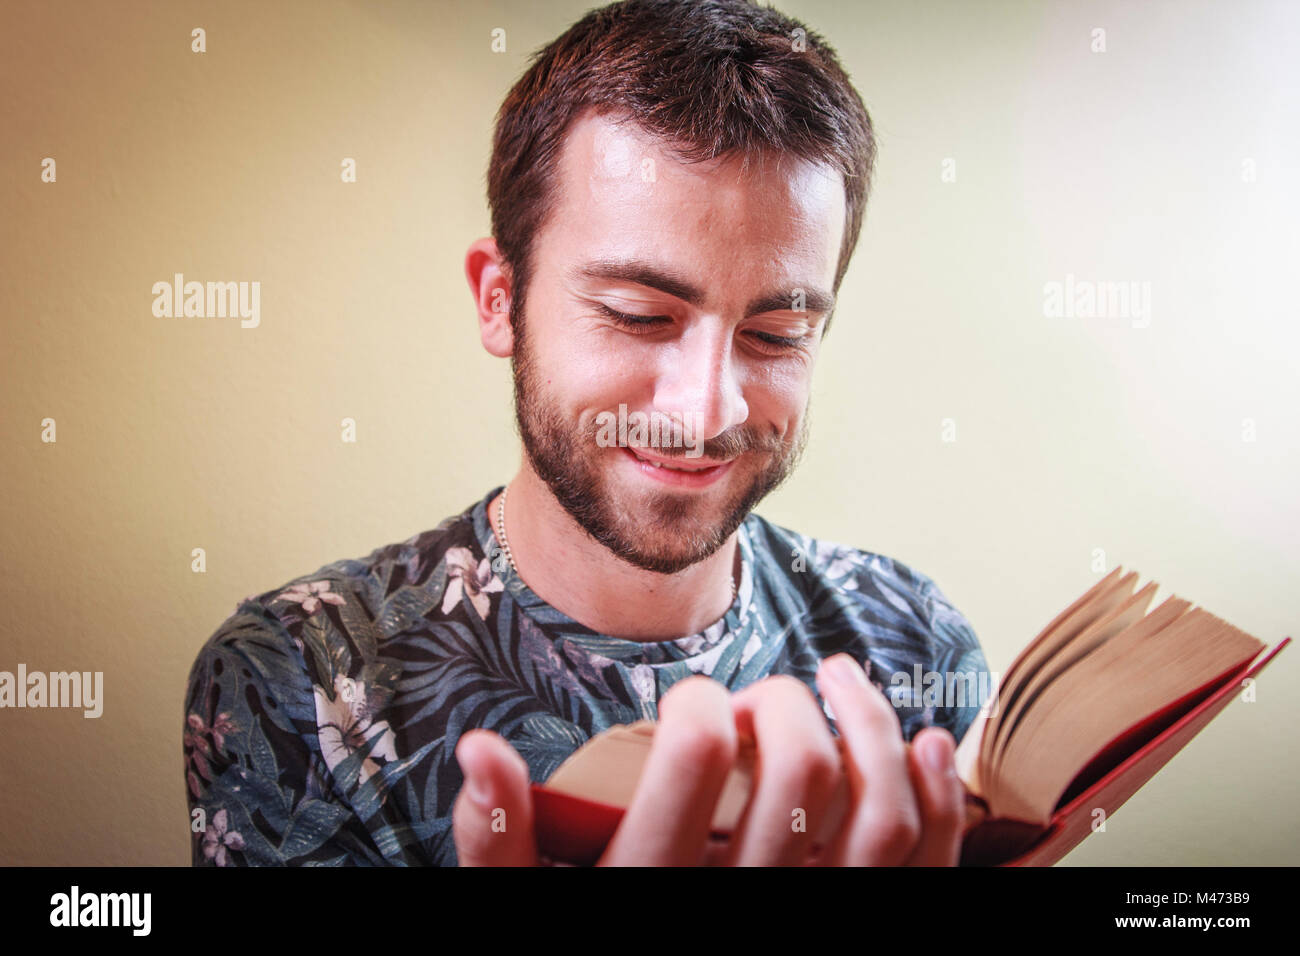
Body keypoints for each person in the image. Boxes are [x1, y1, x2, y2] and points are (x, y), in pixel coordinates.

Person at [184, 0, 991, 867]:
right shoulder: (299, 679)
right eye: (639, 315)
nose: (704, 414)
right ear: (499, 298)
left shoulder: (912, 645)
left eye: (776, 334)